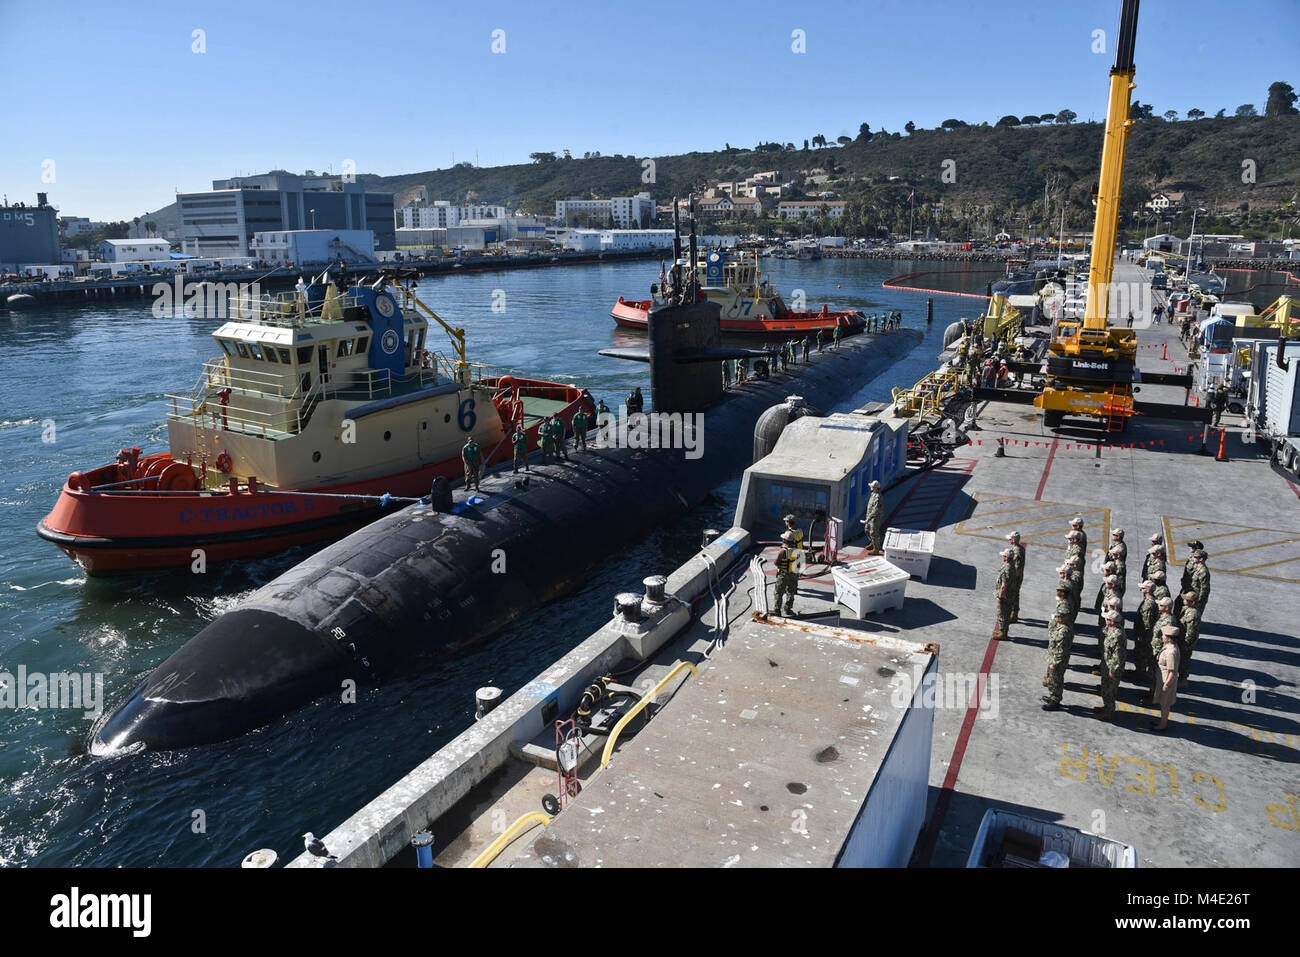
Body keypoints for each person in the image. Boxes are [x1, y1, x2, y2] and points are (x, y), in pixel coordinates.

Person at [1041, 587, 1075, 710]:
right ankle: (1052, 696)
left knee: (1056, 679)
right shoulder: (1061, 627)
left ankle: (1055, 700)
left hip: (1057, 660)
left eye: (1059, 616)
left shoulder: (1064, 631)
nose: (1057, 618)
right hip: (1053, 656)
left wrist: (1054, 663)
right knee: (1051, 678)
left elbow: (1061, 650)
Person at [1096, 608, 1126, 720]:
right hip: (1106, 665)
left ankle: (1108, 713)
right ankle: (1106, 707)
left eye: (1108, 619)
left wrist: (1113, 670)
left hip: (1112, 668)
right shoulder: (1111, 629)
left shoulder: (1117, 635)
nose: (1105, 620)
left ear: (1113, 622)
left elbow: (1117, 656)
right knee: (1105, 689)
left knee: (1110, 691)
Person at [1150, 626, 1181, 731]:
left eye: (1164, 635)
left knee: (1165, 704)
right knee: (1163, 703)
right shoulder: (1169, 646)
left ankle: (1163, 725)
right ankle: (1162, 722)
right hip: (1162, 678)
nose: (1162, 637)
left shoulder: (1171, 652)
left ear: (1169, 638)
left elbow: (1172, 671)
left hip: (1167, 680)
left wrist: (1166, 684)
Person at [1131, 579, 1157, 683]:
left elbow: (1146, 622)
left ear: (1148, 590)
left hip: (1144, 634)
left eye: (1143, 587)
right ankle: (1139, 671)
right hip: (1145, 633)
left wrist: (1141, 634)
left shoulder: (1148, 604)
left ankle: (1140, 674)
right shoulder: (1150, 600)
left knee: (1141, 653)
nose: (1141, 588)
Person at [773, 530, 801, 616]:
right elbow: (798, 564)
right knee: (791, 592)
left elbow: (776, 562)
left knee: (778, 592)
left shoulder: (782, 551)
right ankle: (788, 608)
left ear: (785, 541)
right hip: (793, 574)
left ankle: (777, 610)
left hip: (783, 574)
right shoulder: (796, 551)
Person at [1177, 590, 1201, 689]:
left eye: (1187, 599)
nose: (1184, 600)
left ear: (1193, 602)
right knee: (1180, 660)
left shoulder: (1193, 614)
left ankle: (1183, 680)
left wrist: (1186, 644)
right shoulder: (1186, 609)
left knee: (1184, 661)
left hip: (1185, 642)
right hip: (1181, 639)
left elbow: (1191, 632)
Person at [992, 548, 1014, 640]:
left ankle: (1003, 633)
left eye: (1004, 556)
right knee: (1006, 613)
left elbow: (1004, 585)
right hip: (1010, 594)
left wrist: (1000, 596)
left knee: (1002, 614)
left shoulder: (1007, 569)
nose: (1002, 557)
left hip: (1005, 596)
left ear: (1006, 557)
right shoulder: (1011, 566)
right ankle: (1003, 631)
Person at [1005, 530, 1025, 623]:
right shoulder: (1019, 548)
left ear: (1014, 539)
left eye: (1011, 539)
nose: (1009, 540)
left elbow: (1017, 568)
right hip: (1018, 575)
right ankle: (1014, 612)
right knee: (1015, 594)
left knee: (1014, 594)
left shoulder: (1017, 551)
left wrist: (1012, 579)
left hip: (1016, 577)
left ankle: (1014, 614)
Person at [862, 480, 884, 554]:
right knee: (867, 529)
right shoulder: (873, 494)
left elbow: (875, 510)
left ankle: (876, 549)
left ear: (875, 488)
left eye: (871, 486)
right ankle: (872, 543)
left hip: (875, 518)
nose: (870, 487)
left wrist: (868, 519)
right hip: (870, 517)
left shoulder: (878, 497)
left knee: (873, 532)